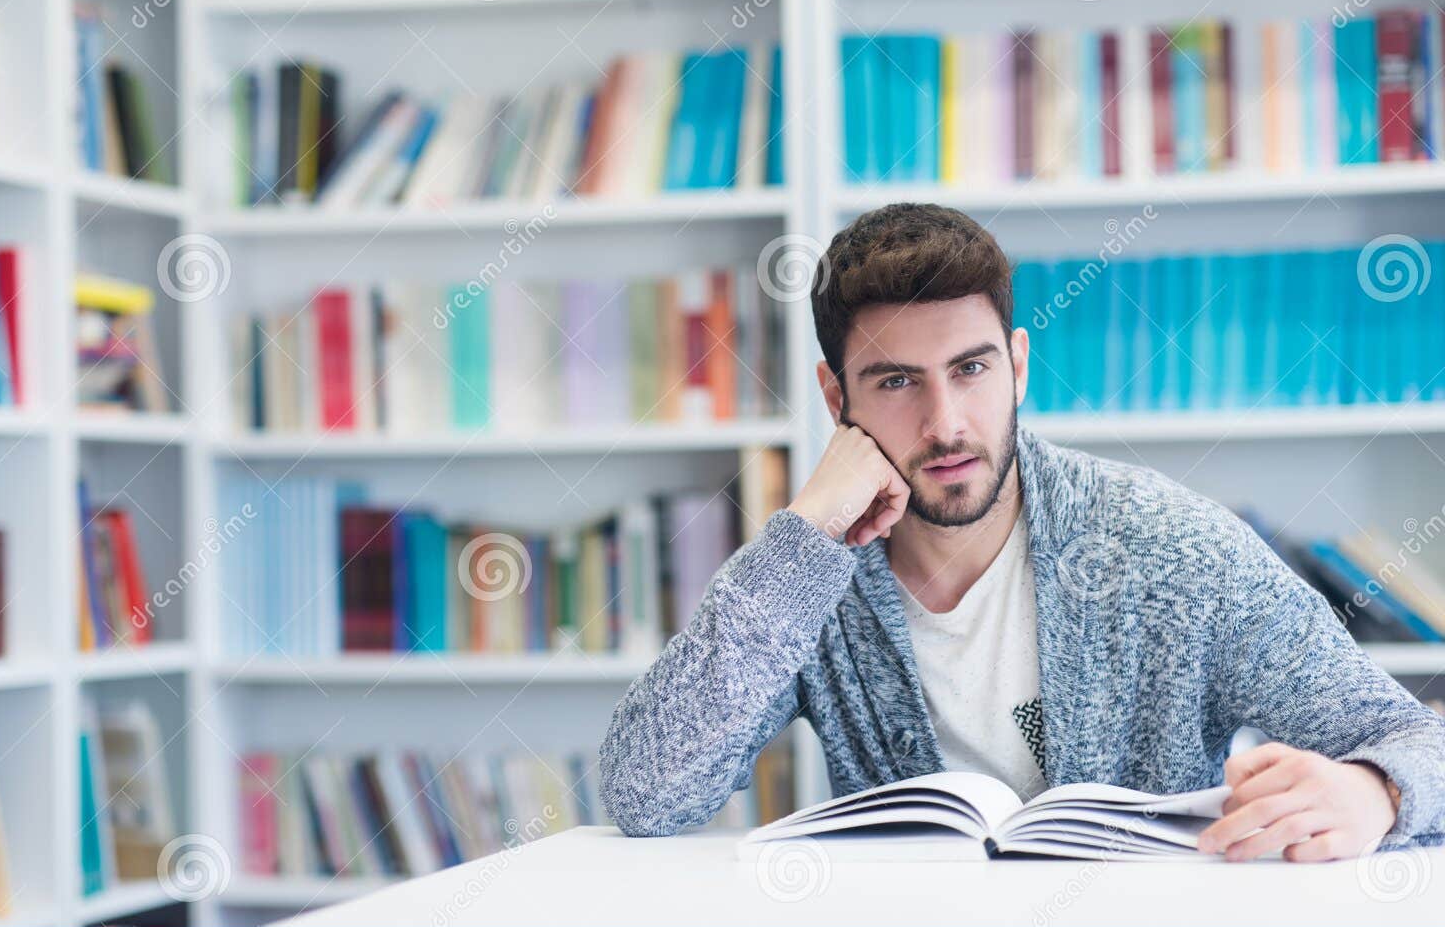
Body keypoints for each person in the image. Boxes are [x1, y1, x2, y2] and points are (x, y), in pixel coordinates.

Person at [597, 202, 1445, 861]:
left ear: (1019, 365)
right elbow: (646, 793)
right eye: (896, 382)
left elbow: (1418, 740)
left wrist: (1376, 793)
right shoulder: (812, 574)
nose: (946, 422)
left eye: (971, 369)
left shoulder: (1169, 548)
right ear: (836, 400)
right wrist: (803, 537)